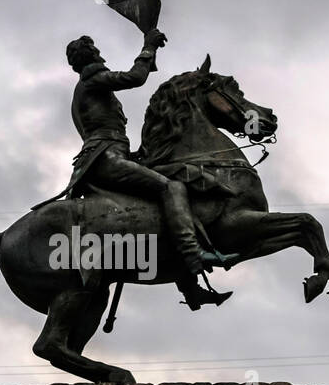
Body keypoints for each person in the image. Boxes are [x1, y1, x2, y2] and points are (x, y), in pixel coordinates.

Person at [35, 30, 230, 309]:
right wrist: (148, 48)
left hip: (112, 155)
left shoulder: (89, 87)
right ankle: (193, 254)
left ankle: (191, 288)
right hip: (105, 160)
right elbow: (134, 78)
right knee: (169, 187)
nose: (101, 55)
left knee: (160, 201)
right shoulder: (93, 81)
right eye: (97, 51)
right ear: (90, 57)